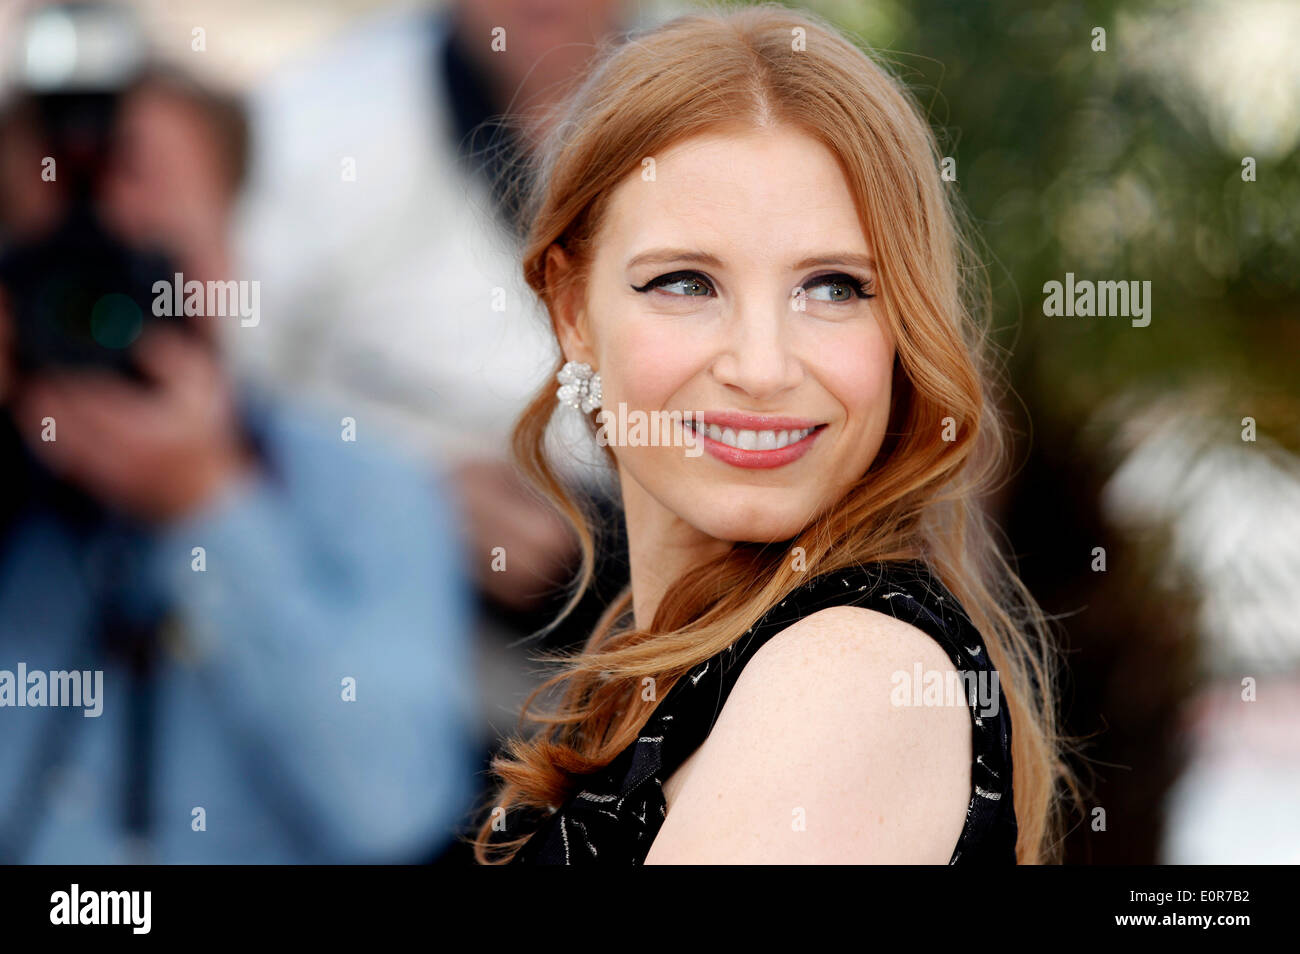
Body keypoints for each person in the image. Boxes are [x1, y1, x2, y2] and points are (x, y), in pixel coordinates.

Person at [472, 3, 1074, 864]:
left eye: (833, 288)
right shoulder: (687, 662)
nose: (762, 368)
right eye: (685, 282)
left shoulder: (848, 676)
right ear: (572, 311)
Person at [0, 51, 480, 863]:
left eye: (147, 264)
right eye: (63, 274)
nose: (103, 309)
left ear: (226, 258)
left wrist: (210, 506)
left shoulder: (372, 489)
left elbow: (393, 807)